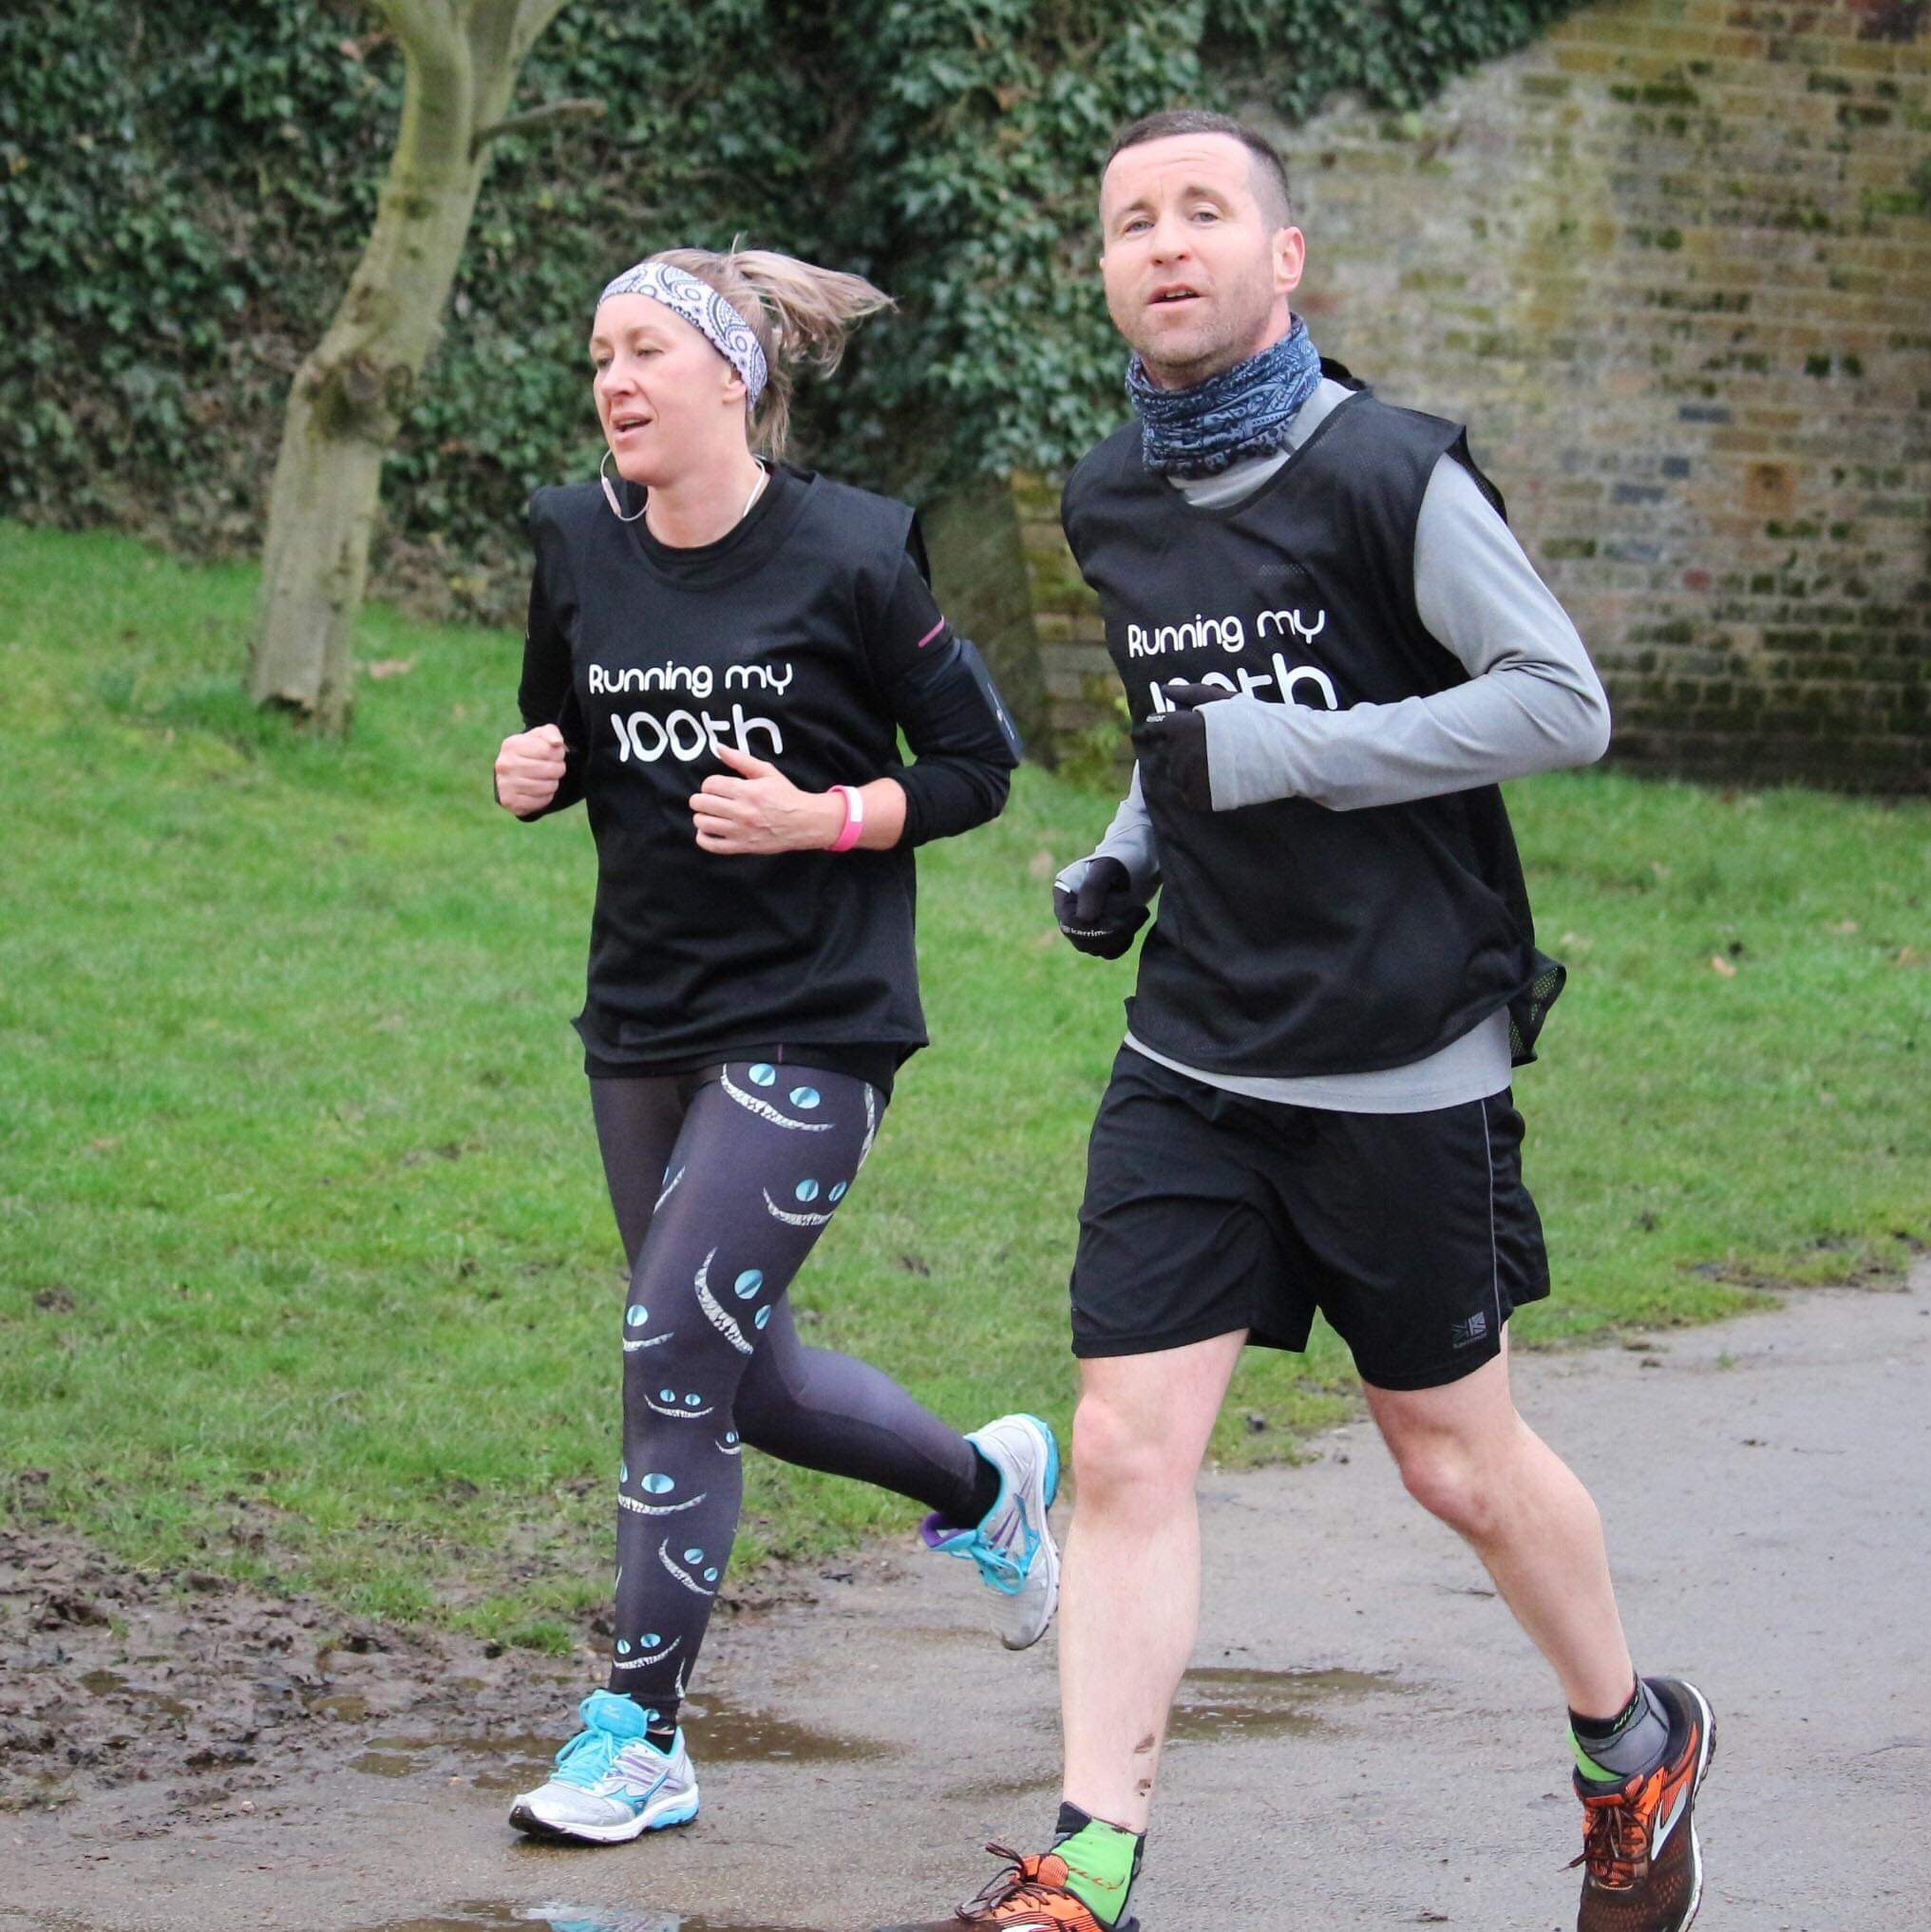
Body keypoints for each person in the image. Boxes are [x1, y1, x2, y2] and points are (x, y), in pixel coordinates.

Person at [880, 111, 1713, 1932]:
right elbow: (1193, 726)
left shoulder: (1390, 474)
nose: (1162, 244)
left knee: (1453, 1459)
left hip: (1402, 1054)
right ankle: (1088, 1858)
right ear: (1104, 272)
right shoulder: (1110, 498)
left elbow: (1558, 702)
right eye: (1128, 222)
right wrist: (1126, 852)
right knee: (1119, 1446)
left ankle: (1630, 1736)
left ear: (1284, 261)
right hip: (1192, 1054)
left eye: (1202, 213)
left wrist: (1293, 760)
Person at [493, 245, 1058, 1847]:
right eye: (597, 351)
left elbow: (979, 761)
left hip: (817, 1013)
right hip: (641, 1016)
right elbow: (564, 725)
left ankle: (641, 1733)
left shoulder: (856, 549)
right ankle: (985, 1486)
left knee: (671, 1338)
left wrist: (829, 815)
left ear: (731, 375)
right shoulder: (571, 537)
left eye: (644, 349)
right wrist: (531, 768)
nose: (611, 379)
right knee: (752, 1377)